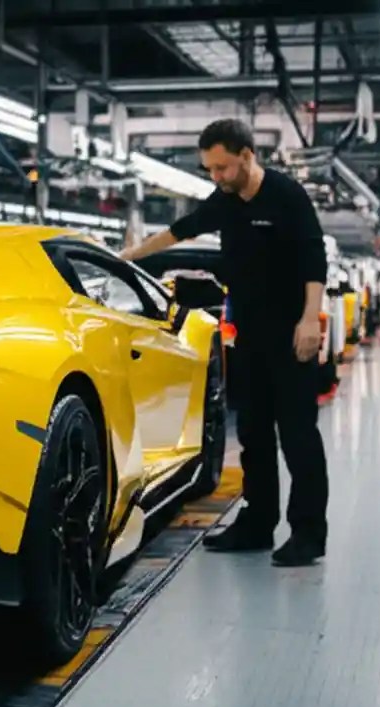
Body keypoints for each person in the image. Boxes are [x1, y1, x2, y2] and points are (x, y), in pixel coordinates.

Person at [120, 119, 330, 567]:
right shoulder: (226, 200)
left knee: (297, 435)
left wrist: (310, 319)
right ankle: (257, 524)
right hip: (249, 334)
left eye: (222, 168)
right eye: (209, 170)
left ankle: (308, 533)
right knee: (253, 433)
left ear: (248, 157)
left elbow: (315, 257)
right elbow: (183, 229)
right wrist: (126, 257)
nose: (215, 177)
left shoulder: (287, 196)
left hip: (292, 333)